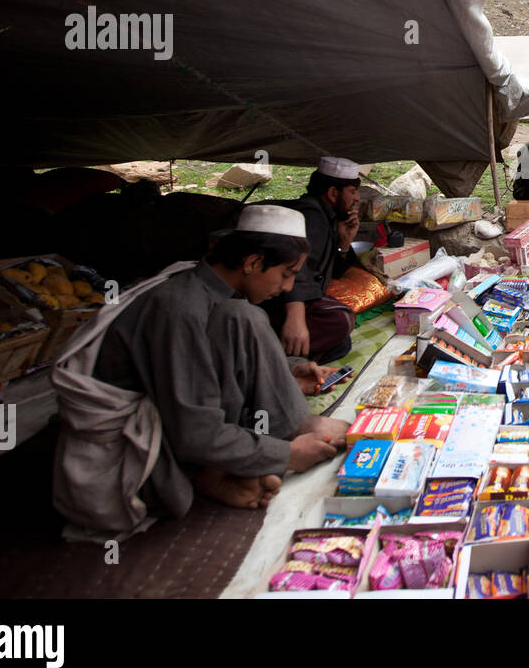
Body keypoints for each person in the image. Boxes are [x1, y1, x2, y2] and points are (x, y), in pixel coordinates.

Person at [52, 205, 348, 538]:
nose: (288, 286)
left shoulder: (206, 287)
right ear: (253, 263)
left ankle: (288, 429)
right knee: (242, 318)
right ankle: (207, 470)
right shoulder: (177, 307)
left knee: (243, 317)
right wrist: (287, 456)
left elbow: (210, 354)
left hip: (174, 415)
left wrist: (289, 371)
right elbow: (195, 430)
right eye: (286, 274)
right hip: (127, 453)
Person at [263, 156, 362, 364]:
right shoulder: (310, 217)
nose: (358, 198)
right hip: (281, 303)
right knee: (339, 321)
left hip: (306, 300)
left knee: (342, 340)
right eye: (352, 191)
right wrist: (296, 318)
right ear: (333, 193)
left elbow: (333, 272)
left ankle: (288, 354)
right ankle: (272, 357)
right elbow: (297, 271)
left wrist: (344, 243)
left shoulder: (330, 219)